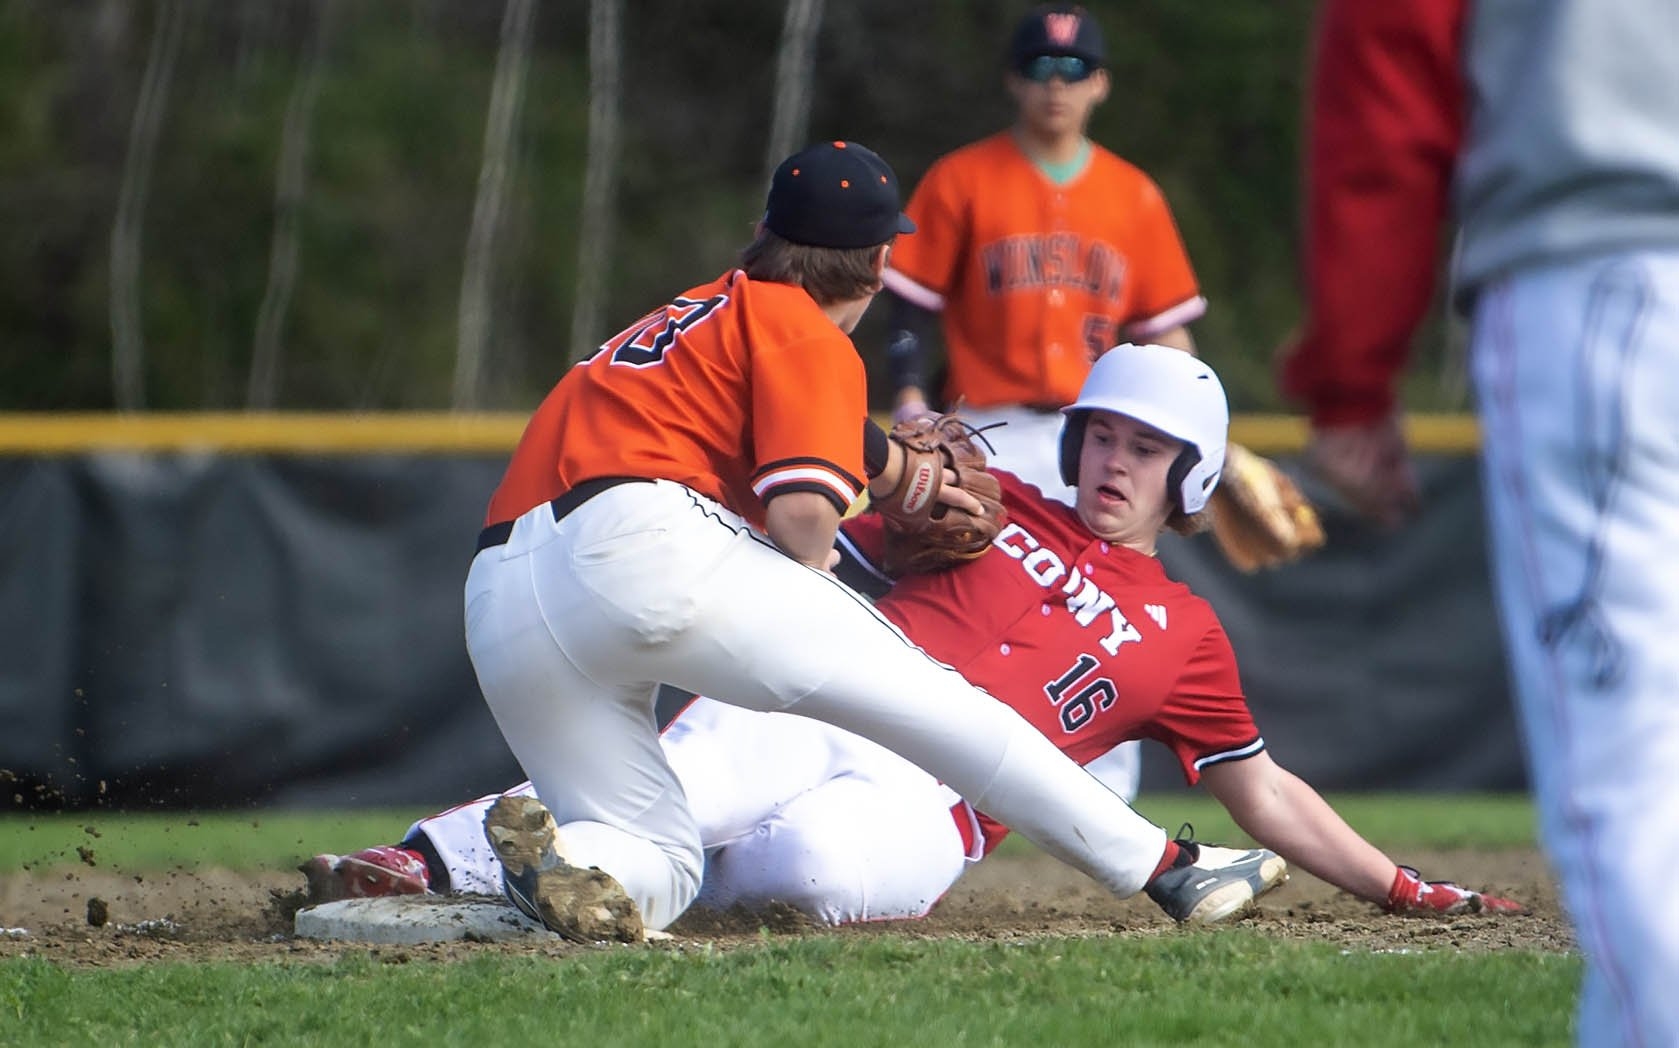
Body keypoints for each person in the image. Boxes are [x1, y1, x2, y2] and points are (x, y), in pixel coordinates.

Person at [307, 345, 1516, 927]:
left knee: (806, 879)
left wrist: (1400, 885)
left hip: (935, 810)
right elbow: (819, 517)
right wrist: (893, 466)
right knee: (705, 772)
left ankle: (578, 883)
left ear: (1189, 481)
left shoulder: (1188, 634)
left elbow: (1264, 794)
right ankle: (428, 858)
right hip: (827, 700)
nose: (1110, 460)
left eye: (1144, 450)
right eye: (1099, 433)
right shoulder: (994, 503)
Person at [451, 140, 1278, 941]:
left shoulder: (698, 309)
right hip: (636, 543)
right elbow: (803, 520)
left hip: (501, 597)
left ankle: (431, 871)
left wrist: (888, 473)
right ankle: (1167, 866)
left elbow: (774, 421)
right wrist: (827, 555)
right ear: (880, 263)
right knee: (939, 700)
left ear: (766, 232)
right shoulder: (804, 328)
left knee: (656, 861)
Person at [1278, 2, 1679, 1044]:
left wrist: (1352, 372)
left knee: (1634, 762)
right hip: (1612, 264)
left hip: (1608, 271)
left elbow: (1393, 60)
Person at [881, 3, 1205, 801]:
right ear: (1010, 81)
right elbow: (909, 307)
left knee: (1109, 607)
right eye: (1037, 69)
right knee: (960, 596)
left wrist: (1203, 432)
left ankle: (1103, 796)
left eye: (1070, 71)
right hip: (987, 433)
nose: (1052, 86)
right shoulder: (962, 177)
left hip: (1100, 438)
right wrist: (911, 398)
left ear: (1098, 84)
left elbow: (1168, 335)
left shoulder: (1133, 196)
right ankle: (938, 779)